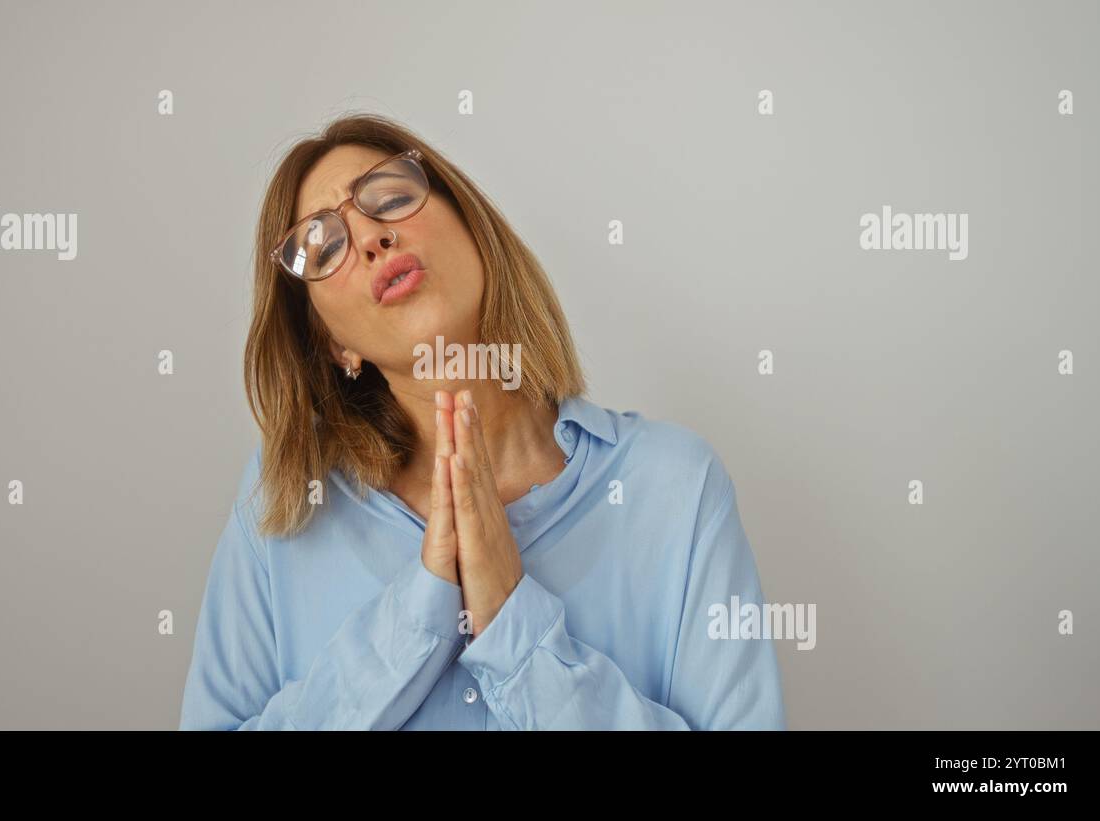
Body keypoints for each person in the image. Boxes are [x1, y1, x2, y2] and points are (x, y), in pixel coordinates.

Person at [179, 113, 786, 730]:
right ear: (335, 345)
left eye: (390, 198)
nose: (369, 238)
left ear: (472, 229)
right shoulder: (282, 503)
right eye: (324, 245)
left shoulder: (677, 487)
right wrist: (418, 612)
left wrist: (511, 621)